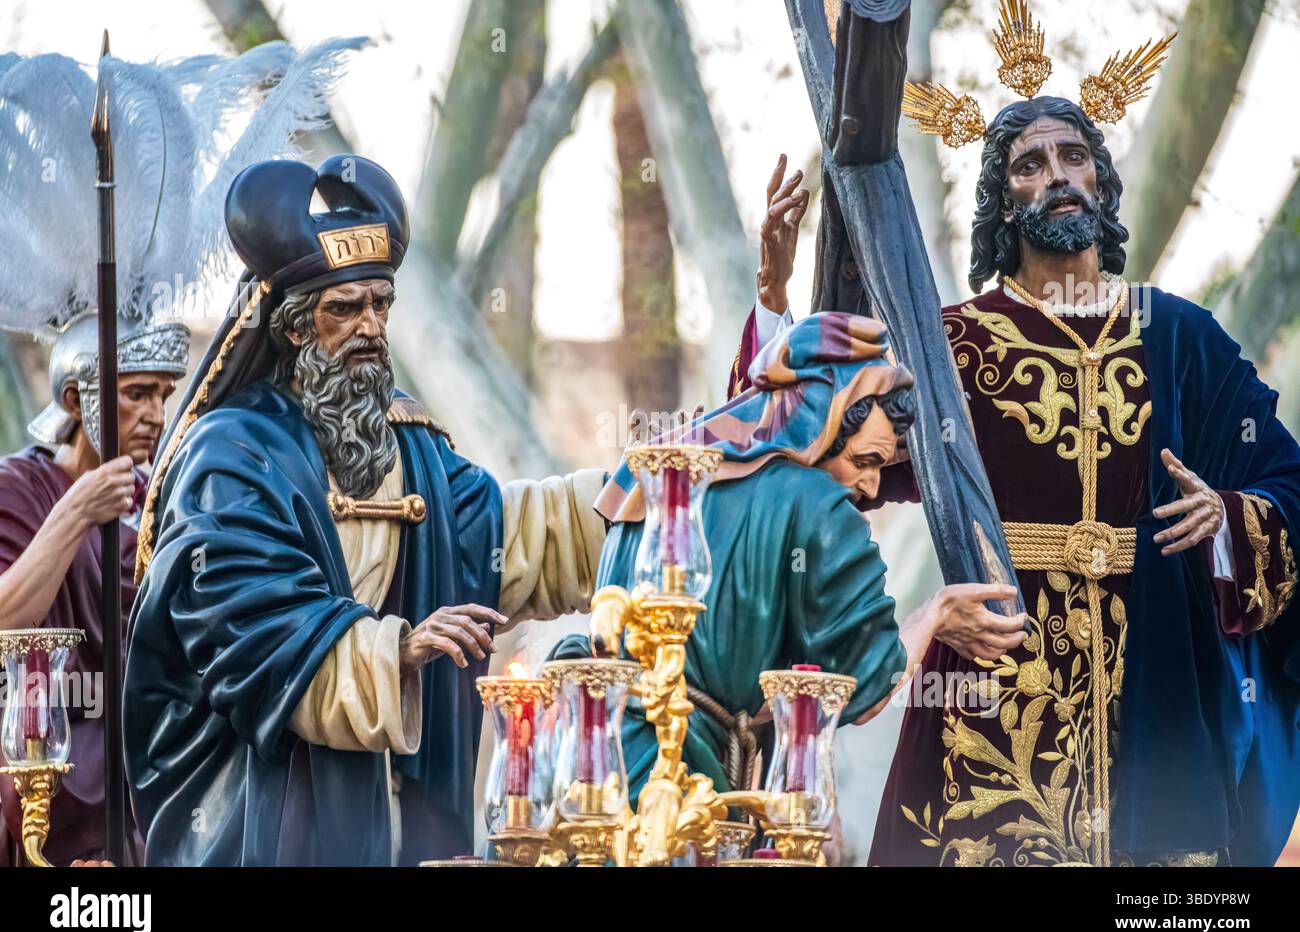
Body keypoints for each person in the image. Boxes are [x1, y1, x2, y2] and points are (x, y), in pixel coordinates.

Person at [732, 10, 1300, 866]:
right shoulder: (946, 343)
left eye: (1075, 158)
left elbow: (1287, 483)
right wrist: (775, 301)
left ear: (1102, 190)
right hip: (990, 707)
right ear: (1003, 204)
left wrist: (1227, 520)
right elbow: (806, 452)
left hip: (1155, 712)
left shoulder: (1181, 339)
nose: (1059, 175)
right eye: (1031, 165)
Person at [125, 154, 609, 866]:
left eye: (380, 304)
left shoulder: (407, 449)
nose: (371, 328)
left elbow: (512, 533)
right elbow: (250, 638)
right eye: (344, 310)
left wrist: (653, 490)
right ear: (294, 329)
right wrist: (398, 647)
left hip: (395, 829)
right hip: (264, 822)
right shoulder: (229, 457)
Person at [0, 43, 351, 865]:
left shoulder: (173, 496)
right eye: (135, 394)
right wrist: (78, 509)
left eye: (164, 393)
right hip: (36, 776)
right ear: (78, 398)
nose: (158, 412)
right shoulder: (18, 488)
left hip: (156, 785)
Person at [552, 312, 1026, 805]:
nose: (871, 485)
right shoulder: (814, 503)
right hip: (675, 786)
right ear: (818, 426)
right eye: (865, 461)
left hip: (583, 768)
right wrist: (936, 614)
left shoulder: (656, 475)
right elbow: (865, 687)